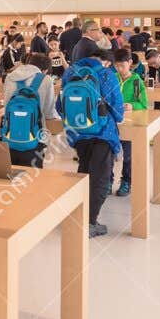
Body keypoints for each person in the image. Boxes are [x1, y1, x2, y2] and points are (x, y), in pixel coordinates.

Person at [61, 42, 124, 236]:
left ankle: (78, 217)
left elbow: (60, 105)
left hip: (78, 132)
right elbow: (118, 111)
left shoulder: (70, 73)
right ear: (106, 62)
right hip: (103, 133)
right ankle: (89, 223)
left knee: (83, 172)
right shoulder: (107, 75)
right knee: (100, 179)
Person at [3, 51, 58, 166]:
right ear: (45, 70)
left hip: (10, 134)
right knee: (32, 177)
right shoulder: (46, 79)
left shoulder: (9, 77)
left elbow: (7, 105)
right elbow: (49, 113)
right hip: (36, 137)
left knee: (12, 173)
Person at [114, 48, 149, 197]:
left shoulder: (136, 81)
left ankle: (126, 181)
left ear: (130, 63)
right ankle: (108, 180)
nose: (119, 69)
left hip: (130, 124)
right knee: (108, 154)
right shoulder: (112, 78)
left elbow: (144, 104)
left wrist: (132, 106)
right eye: (116, 66)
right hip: (113, 124)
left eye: (122, 65)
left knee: (128, 155)